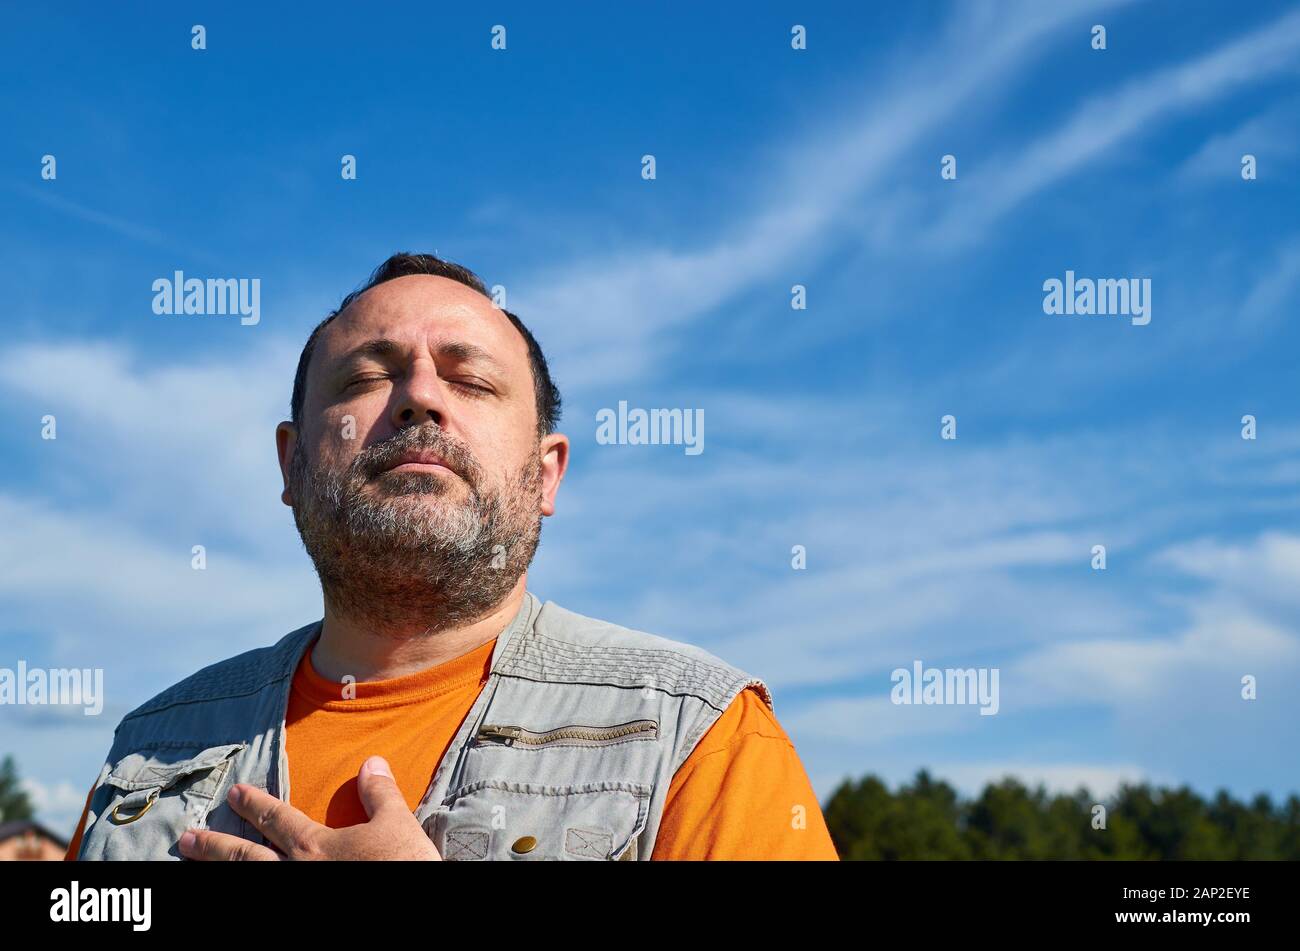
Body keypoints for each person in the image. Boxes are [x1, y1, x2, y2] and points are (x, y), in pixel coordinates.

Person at [66, 253, 838, 861]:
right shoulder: (152, 746)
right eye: (367, 375)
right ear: (291, 466)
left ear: (545, 474)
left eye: (470, 379)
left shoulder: (699, 735)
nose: (420, 396)